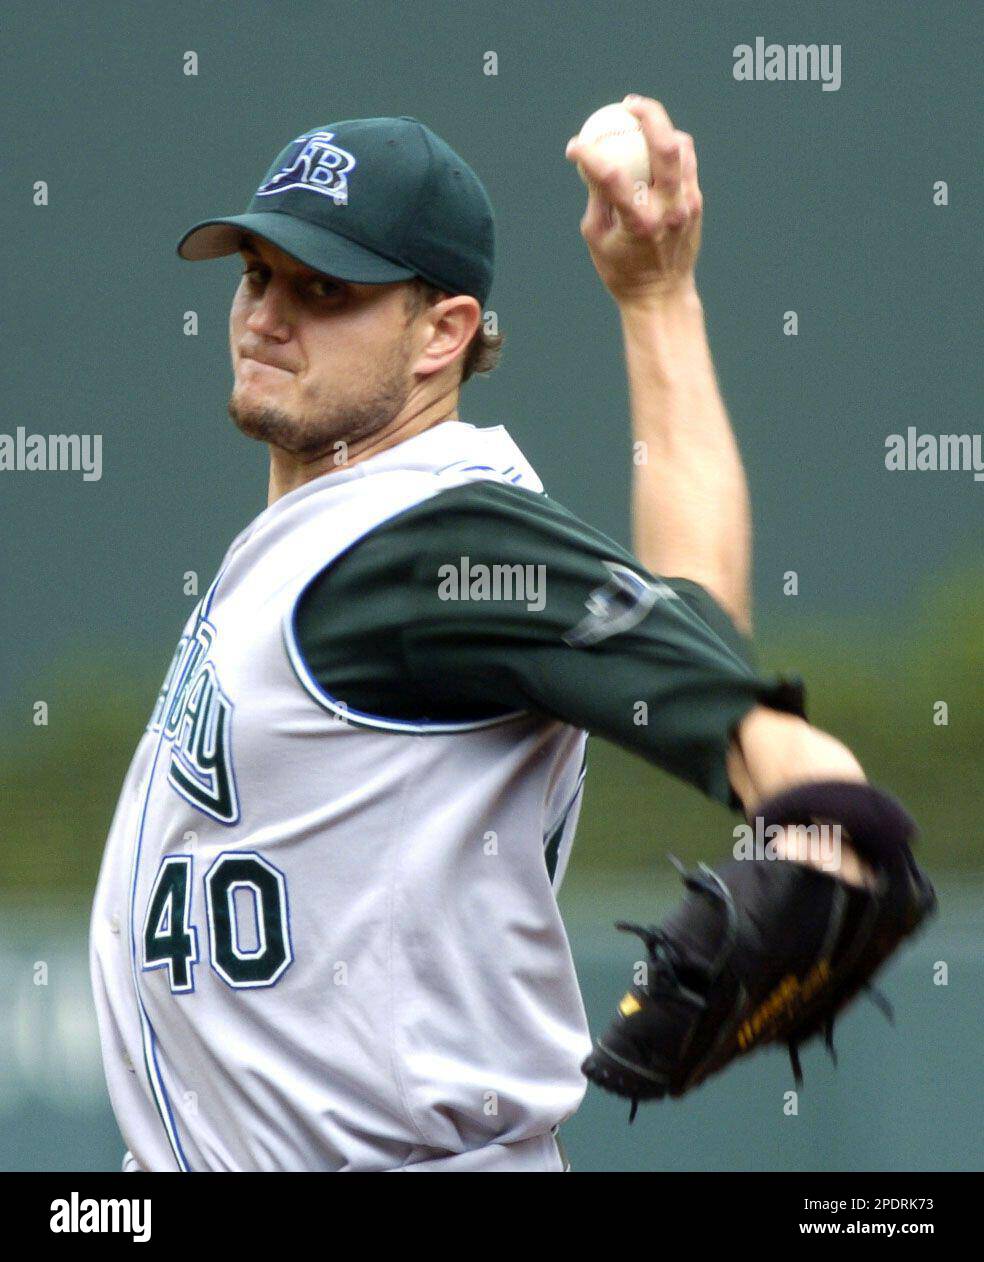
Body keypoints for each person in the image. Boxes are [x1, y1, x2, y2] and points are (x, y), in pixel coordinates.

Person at [90, 103, 906, 1173]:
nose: (266, 316)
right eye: (257, 275)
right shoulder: (343, 531)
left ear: (443, 333)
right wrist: (657, 302)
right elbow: (696, 624)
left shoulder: (424, 533)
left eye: (325, 289)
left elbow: (757, 730)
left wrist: (825, 819)